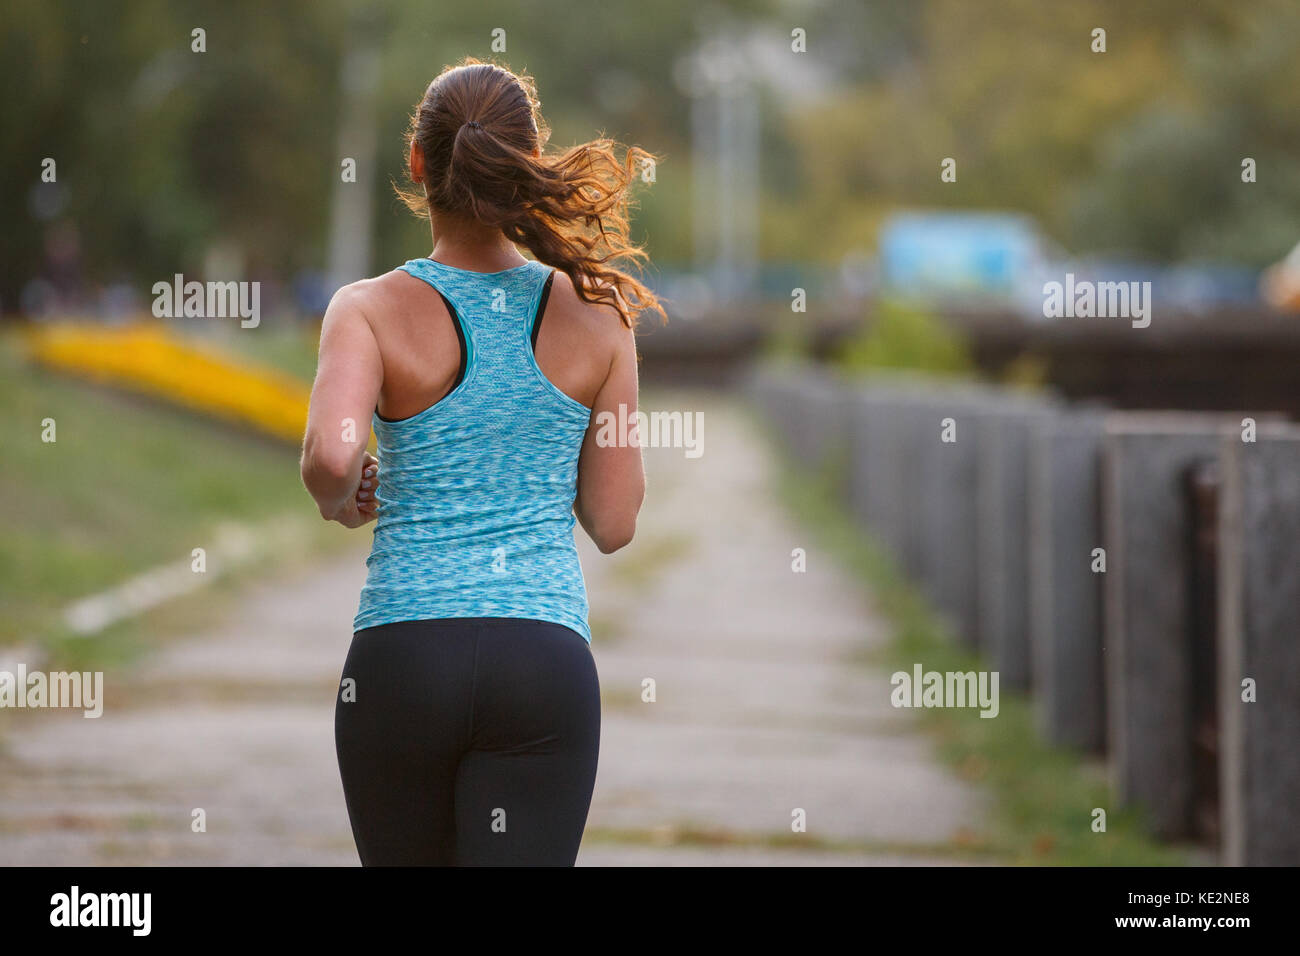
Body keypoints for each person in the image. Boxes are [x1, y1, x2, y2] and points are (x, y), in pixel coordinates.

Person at [300, 58, 663, 865]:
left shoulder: (366, 310)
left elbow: (332, 450)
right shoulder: (602, 317)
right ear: (525, 162)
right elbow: (614, 522)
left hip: (401, 660)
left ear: (419, 162)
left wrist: (341, 495)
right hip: (542, 664)